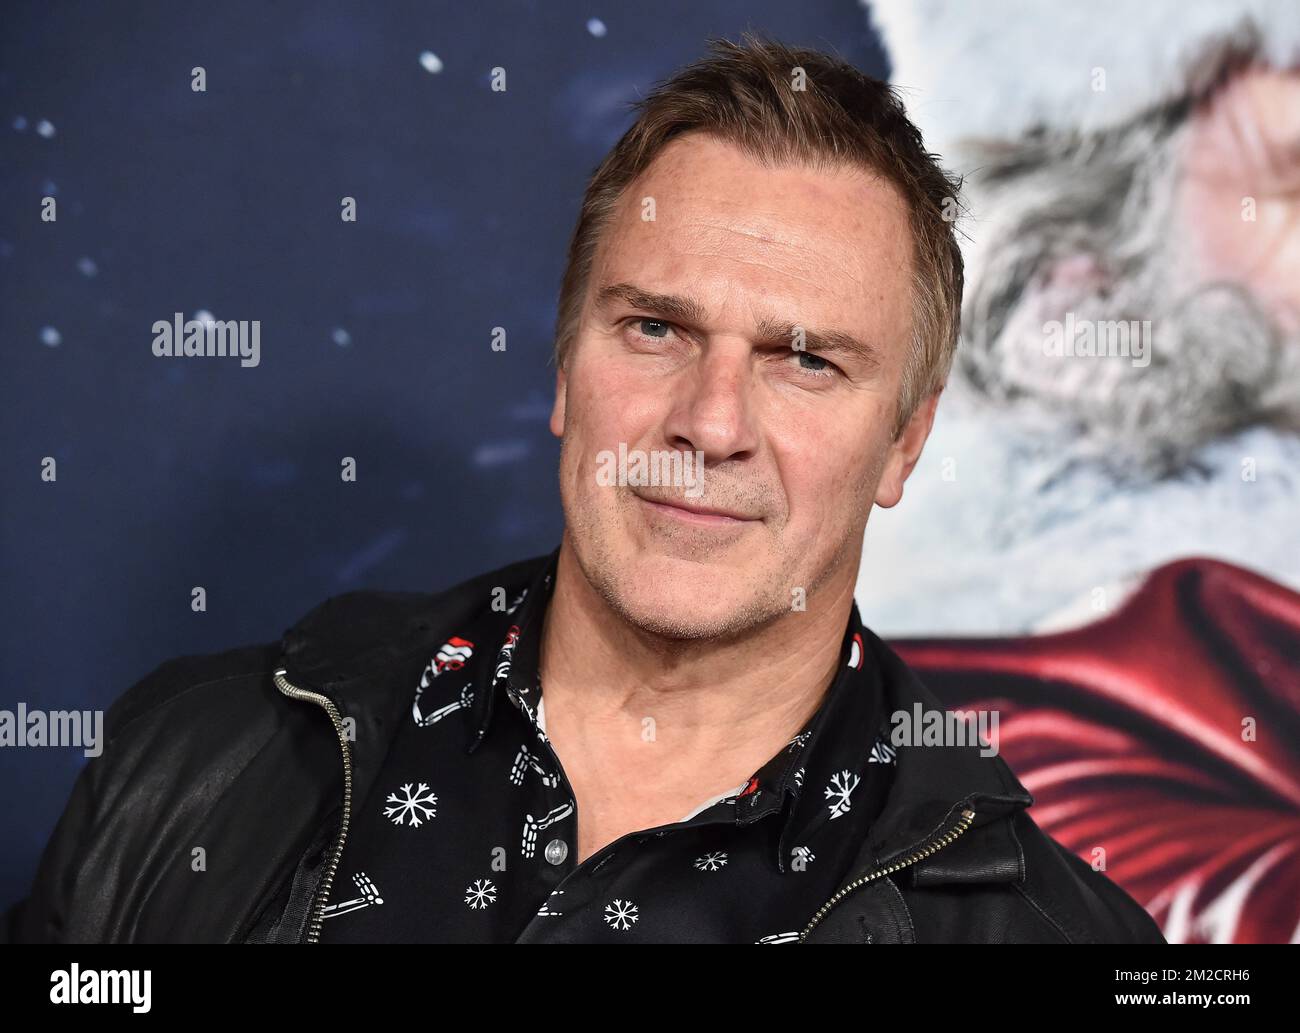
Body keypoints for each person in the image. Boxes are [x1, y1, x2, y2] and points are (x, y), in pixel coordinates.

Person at [4, 34, 1166, 944]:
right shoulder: (193, 763)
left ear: (905, 441)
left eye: (805, 359)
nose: (709, 424)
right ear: (565, 367)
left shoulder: (1048, 932)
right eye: (655, 328)